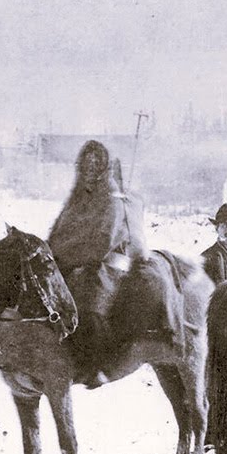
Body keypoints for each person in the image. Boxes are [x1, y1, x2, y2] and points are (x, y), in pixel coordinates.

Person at [47, 140, 148, 387]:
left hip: (108, 264)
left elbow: (103, 241)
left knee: (90, 304)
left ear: (103, 167)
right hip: (75, 259)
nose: (90, 169)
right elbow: (59, 228)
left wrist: (69, 256)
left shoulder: (111, 199)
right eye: (86, 164)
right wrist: (49, 252)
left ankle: (95, 364)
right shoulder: (78, 196)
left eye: (96, 164)